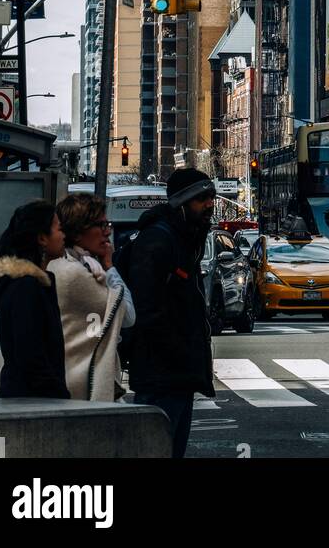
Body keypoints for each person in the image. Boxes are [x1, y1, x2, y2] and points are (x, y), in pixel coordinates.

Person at [126, 167, 216, 458]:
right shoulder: (159, 240)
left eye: (211, 197)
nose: (210, 205)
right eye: (201, 199)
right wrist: (177, 352)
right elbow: (147, 308)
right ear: (181, 203)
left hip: (177, 375)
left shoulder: (184, 238)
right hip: (160, 375)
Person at [0, 200, 69, 399]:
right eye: (60, 228)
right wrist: (59, 394)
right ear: (42, 238)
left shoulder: (34, 282)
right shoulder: (27, 286)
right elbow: (30, 355)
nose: (64, 235)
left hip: (30, 400)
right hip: (31, 404)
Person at [48, 194, 135, 401]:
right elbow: (128, 315)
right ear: (78, 232)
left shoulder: (80, 265)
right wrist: (109, 265)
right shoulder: (76, 272)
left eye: (108, 224)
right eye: (101, 225)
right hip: (80, 385)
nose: (108, 231)